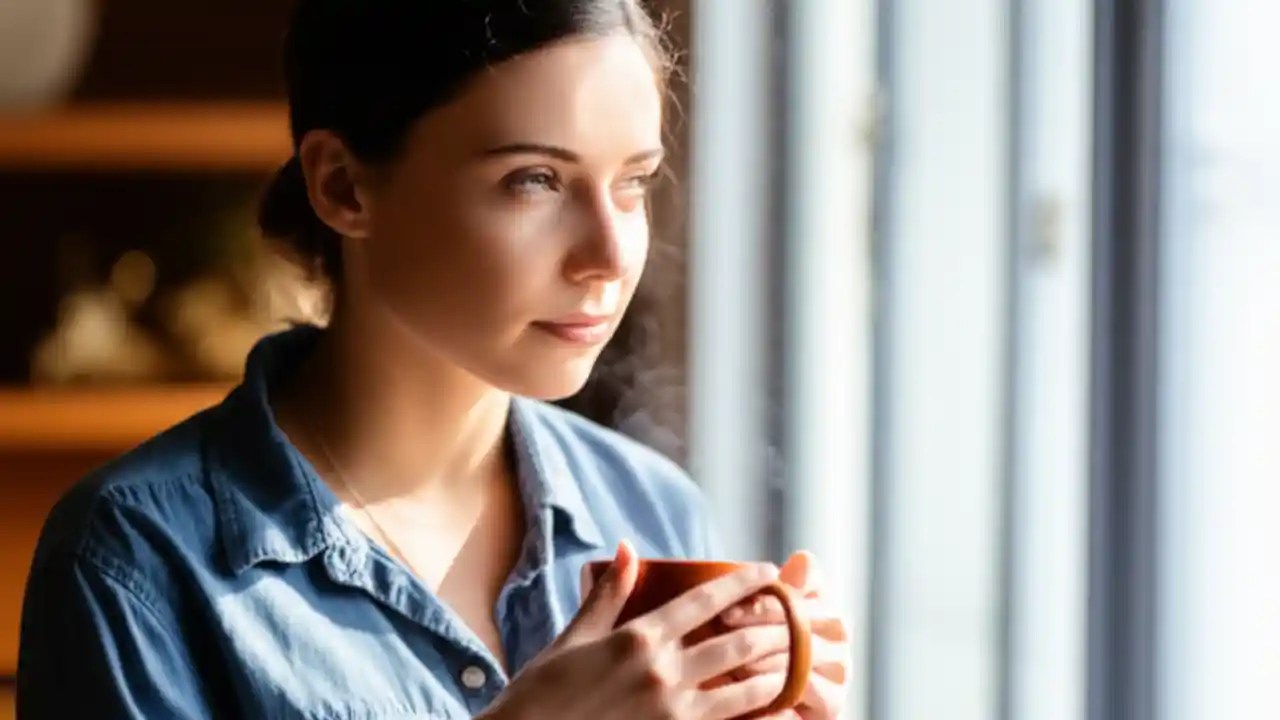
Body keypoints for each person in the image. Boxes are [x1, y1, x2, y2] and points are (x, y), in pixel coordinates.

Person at [17, 1, 850, 718]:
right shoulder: (137, 561)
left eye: (633, 182)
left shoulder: (653, 509)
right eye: (535, 181)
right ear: (343, 186)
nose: (608, 253)